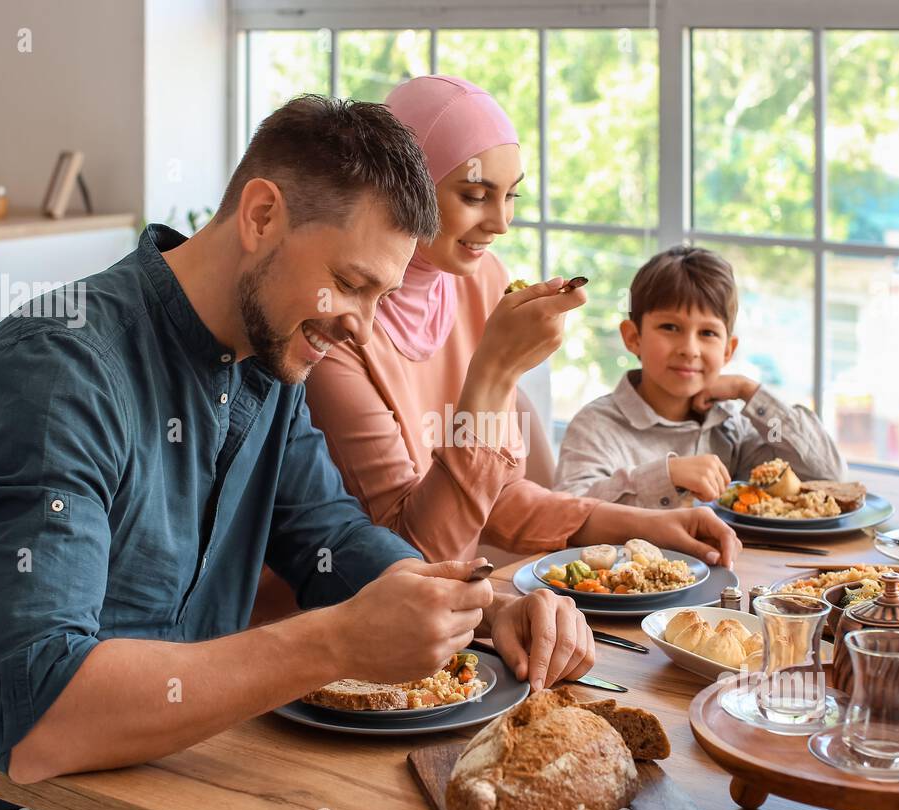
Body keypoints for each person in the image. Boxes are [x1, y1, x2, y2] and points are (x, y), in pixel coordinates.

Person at [0, 95, 592, 810]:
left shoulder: (267, 361)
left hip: (164, 783)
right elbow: (40, 723)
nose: (361, 327)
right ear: (261, 215)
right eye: (348, 282)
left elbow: (331, 541)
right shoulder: (55, 374)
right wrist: (335, 641)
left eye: (381, 295)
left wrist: (477, 607)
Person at [299, 75, 740, 573]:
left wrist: (642, 524)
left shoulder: (481, 281)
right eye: (474, 194)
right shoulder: (335, 324)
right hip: (357, 616)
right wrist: (495, 373)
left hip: (456, 615)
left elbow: (498, 495)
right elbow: (413, 556)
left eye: (511, 196)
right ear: (401, 188)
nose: (501, 222)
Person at [554, 245, 847, 507]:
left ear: (728, 351)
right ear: (633, 337)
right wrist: (667, 475)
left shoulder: (734, 427)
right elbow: (567, 515)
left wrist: (748, 391)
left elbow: (827, 476)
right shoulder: (596, 427)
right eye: (670, 327)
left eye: (707, 333)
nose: (689, 349)